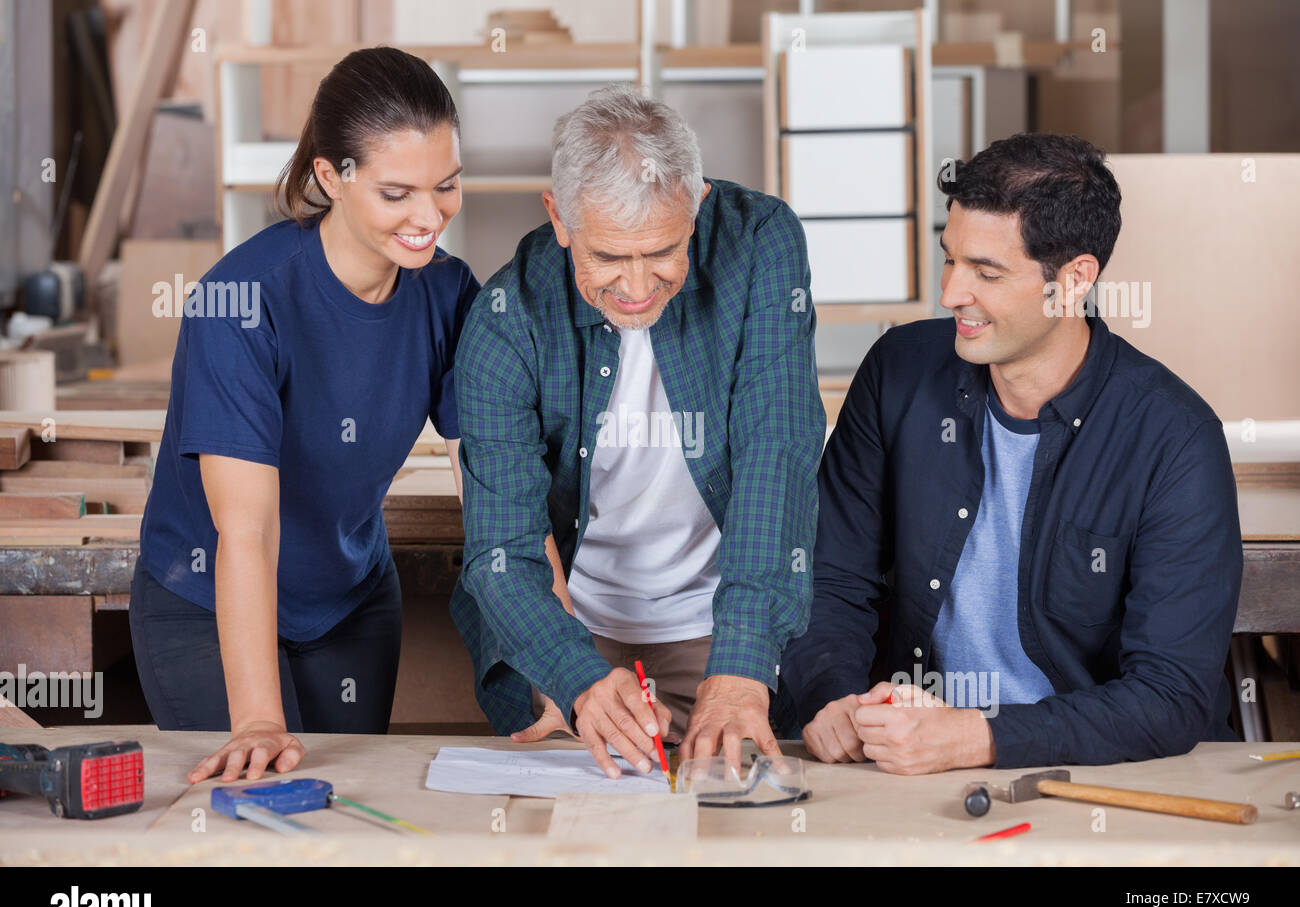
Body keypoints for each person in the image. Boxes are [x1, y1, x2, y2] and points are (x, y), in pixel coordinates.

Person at [781, 132, 1242, 772]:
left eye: (986, 272)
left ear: (1073, 280)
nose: (950, 294)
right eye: (950, 259)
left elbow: (1171, 695)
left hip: (1096, 773)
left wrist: (976, 737)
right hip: (903, 766)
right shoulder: (899, 371)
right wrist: (829, 696)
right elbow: (829, 575)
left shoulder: (1174, 437)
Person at [450, 85, 825, 778]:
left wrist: (742, 662)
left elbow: (778, 452)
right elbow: (501, 550)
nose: (636, 287)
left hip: (724, 617)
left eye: (661, 252)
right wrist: (572, 674)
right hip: (572, 624)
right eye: (608, 259)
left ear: (698, 204)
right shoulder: (506, 316)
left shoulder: (762, 241)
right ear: (558, 218)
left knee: (738, 820)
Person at [129, 47, 479, 784]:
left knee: (342, 810)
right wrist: (257, 717)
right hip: (206, 599)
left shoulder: (448, 294)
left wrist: (546, 657)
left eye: (446, 185)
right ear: (331, 176)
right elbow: (246, 531)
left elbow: (488, 472)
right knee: (256, 808)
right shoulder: (240, 303)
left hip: (349, 601)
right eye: (397, 193)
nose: (429, 216)